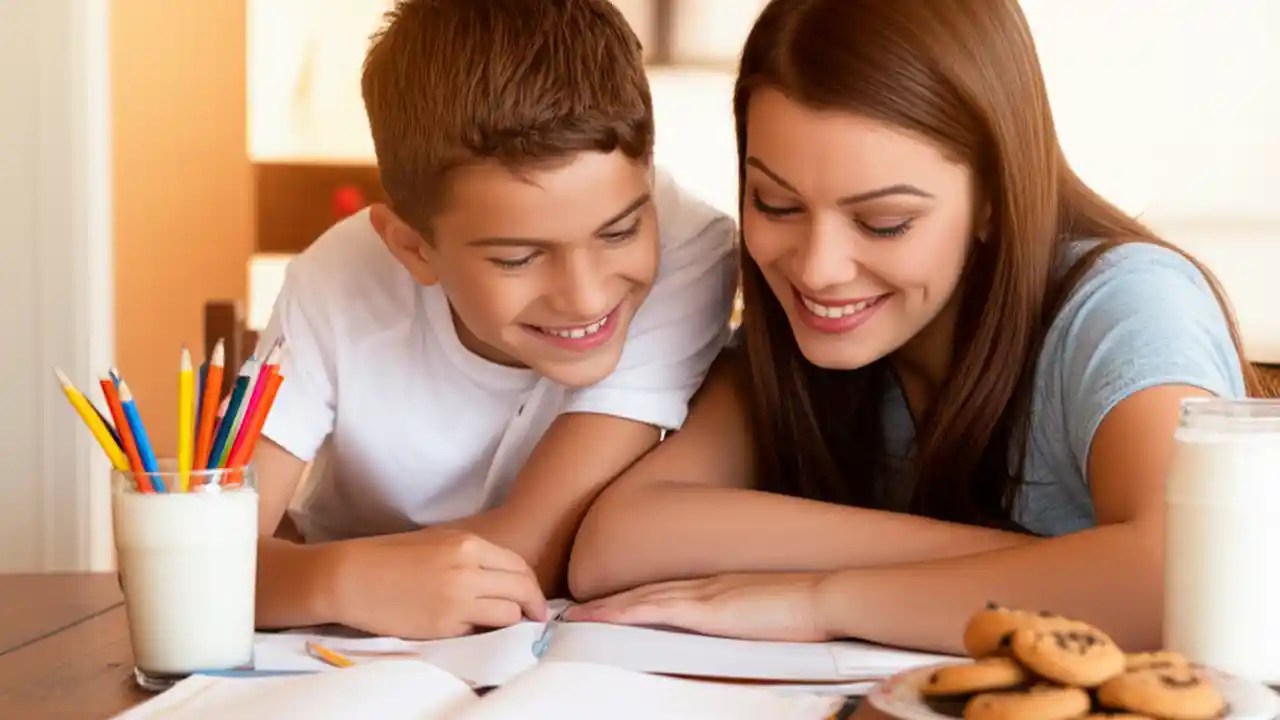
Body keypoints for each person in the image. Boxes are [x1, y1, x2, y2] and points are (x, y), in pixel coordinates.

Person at [565, 0, 1263, 654]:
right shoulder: (792, 343)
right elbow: (618, 543)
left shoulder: (1127, 306)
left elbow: (1195, 574)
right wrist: (1040, 564)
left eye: (884, 222)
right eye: (776, 204)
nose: (818, 269)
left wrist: (822, 602)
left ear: (994, 196)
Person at [249, 0, 737, 640]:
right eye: (519, 258)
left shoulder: (690, 250)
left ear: (647, 174)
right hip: (347, 645)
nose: (586, 297)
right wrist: (337, 581)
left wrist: (298, 575)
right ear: (414, 248)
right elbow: (189, 558)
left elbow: (531, 546)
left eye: (619, 232)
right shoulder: (336, 280)